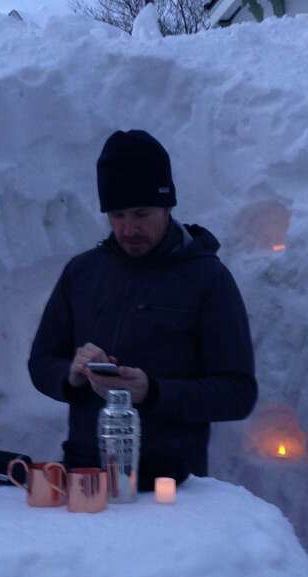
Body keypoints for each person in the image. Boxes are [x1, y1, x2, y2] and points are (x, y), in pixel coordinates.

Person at [27, 129, 257, 490]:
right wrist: (69, 375)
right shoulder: (82, 273)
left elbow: (238, 394)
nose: (129, 228)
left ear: (167, 206)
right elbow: (40, 362)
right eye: (117, 215)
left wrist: (153, 392)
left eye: (141, 213)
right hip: (85, 477)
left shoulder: (208, 279)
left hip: (172, 488)